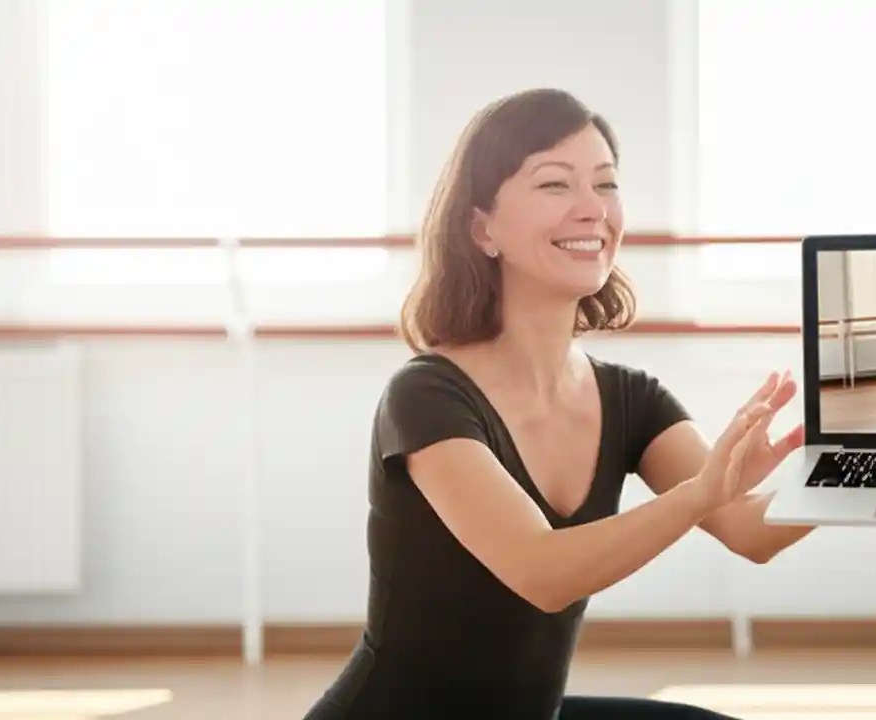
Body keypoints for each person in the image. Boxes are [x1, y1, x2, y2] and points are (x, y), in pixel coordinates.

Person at [303, 88, 815, 719]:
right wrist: (699, 495)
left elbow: (746, 529)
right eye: (554, 185)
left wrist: (860, 462)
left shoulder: (630, 398)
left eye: (606, 184)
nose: (592, 209)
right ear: (481, 226)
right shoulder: (426, 395)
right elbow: (543, 573)